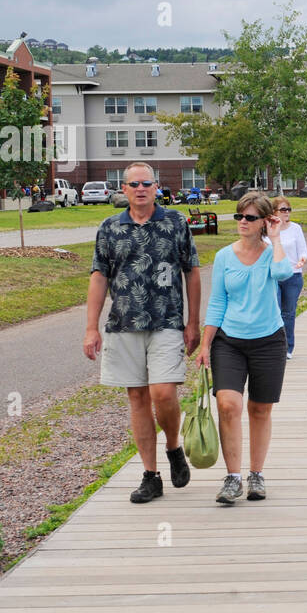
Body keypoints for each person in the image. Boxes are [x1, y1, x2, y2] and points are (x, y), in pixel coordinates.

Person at [84, 162, 201, 505]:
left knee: (163, 393)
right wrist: (91, 327)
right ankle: (151, 475)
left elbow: (191, 272)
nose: (140, 189)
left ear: (156, 186)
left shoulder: (175, 222)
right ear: (124, 188)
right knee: (137, 398)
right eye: (133, 184)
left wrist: (193, 322)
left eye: (146, 183)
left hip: (167, 322)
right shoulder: (109, 227)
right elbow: (99, 277)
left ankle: (174, 446)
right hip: (124, 324)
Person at [195, 192, 293, 504]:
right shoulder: (224, 256)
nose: (242, 222)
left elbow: (282, 275)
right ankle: (233, 477)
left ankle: (256, 475)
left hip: (268, 339)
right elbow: (218, 301)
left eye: (250, 218)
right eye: (239, 216)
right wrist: (205, 344)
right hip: (229, 341)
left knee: (260, 409)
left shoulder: (272, 253)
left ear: (265, 221)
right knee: (228, 405)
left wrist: (275, 237)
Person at [271, 195, 307, 359]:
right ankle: (274, 346)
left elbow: (303, 250)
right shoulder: (270, 230)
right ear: (274, 212)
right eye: (283, 209)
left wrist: (303, 259)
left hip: (293, 275)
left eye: (288, 209)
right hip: (274, 276)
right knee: (275, 311)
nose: (286, 212)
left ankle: (287, 347)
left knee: (288, 313)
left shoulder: (296, 229)